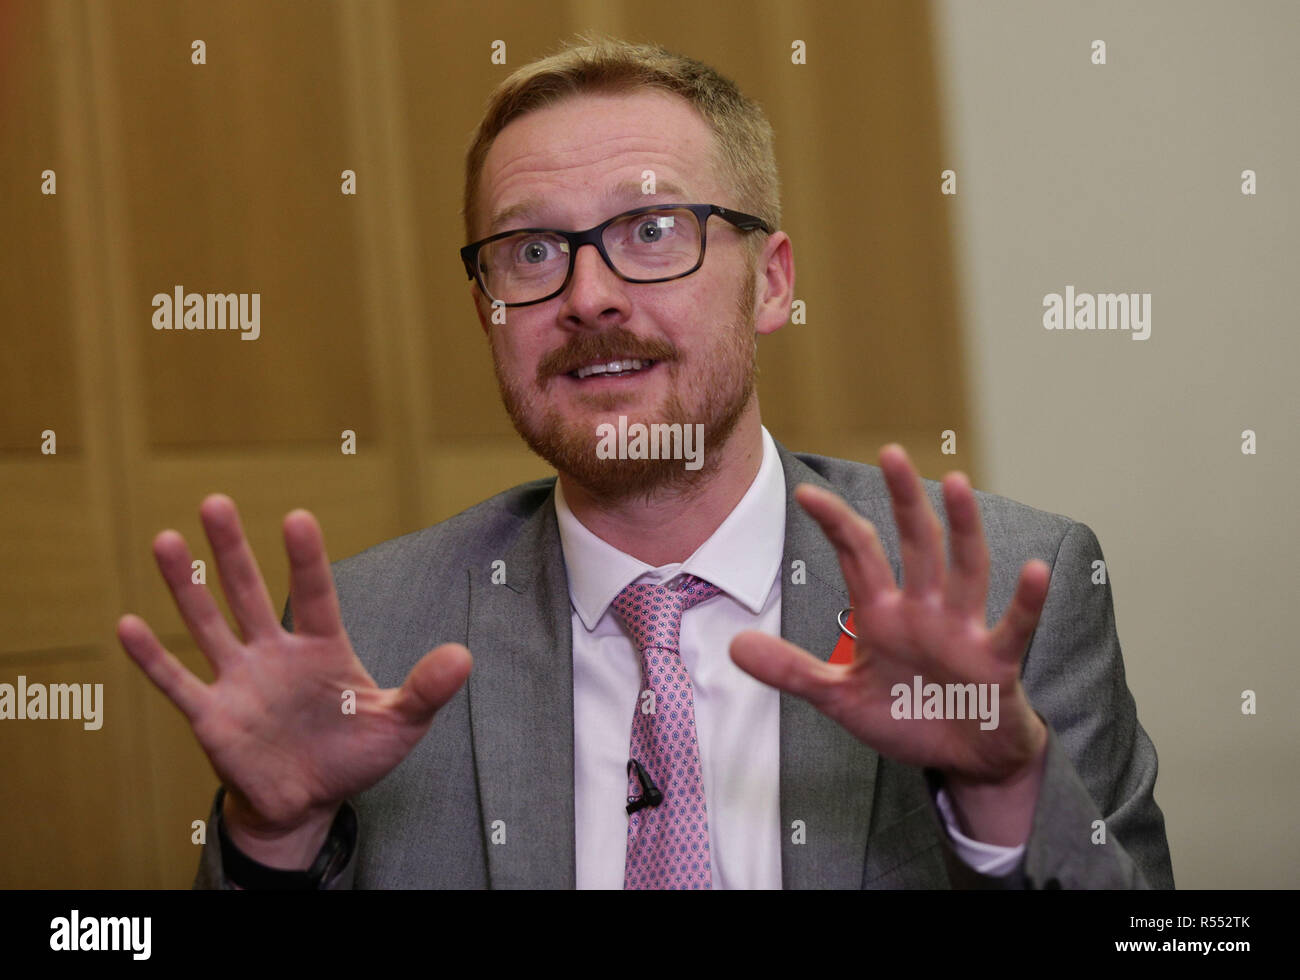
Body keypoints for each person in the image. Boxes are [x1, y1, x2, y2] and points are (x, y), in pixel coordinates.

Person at [117, 37, 1173, 889]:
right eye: (530, 250)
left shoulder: (1007, 588)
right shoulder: (371, 634)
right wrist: (272, 842)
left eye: (653, 228)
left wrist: (1002, 793)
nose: (586, 296)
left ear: (771, 281)